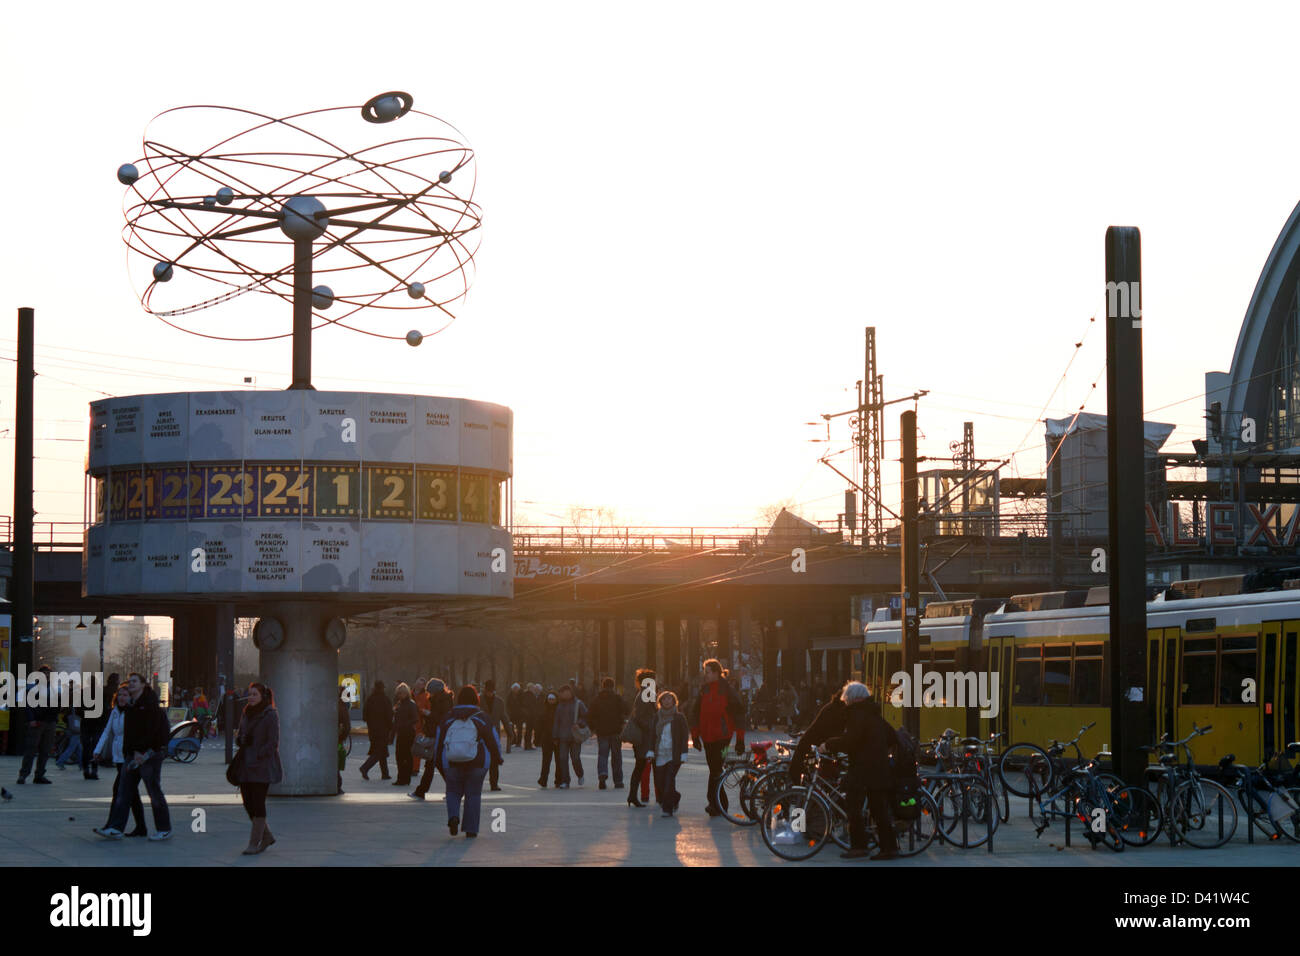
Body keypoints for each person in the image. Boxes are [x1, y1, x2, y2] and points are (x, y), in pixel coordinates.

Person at [826, 682, 899, 860]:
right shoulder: (874, 714)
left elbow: (850, 741)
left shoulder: (857, 715)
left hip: (861, 768)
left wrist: (829, 744)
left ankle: (859, 846)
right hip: (878, 767)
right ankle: (889, 848)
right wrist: (878, 750)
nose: (846, 703)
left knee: (853, 806)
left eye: (847, 700)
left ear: (854, 699)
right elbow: (892, 736)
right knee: (879, 809)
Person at [94, 673, 171, 840]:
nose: (131, 684)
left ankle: (164, 828)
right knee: (124, 791)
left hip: (149, 755)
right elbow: (128, 733)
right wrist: (130, 751)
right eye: (130, 681)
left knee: (153, 791)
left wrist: (142, 751)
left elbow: (154, 732)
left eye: (135, 681)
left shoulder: (150, 705)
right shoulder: (131, 706)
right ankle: (116, 827)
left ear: (144, 684)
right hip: (132, 754)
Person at [433, 685, 503, 838]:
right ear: (475, 698)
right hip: (477, 762)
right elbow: (493, 740)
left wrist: (438, 761)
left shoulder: (448, 717)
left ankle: (453, 817)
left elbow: (439, 742)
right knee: (473, 793)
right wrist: (498, 757)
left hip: (451, 761)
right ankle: (471, 829)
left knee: (452, 790)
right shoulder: (482, 717)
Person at [690, 658, 744, 817]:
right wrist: (695, 735)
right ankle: (717, 803)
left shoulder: (727, 690)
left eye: (707, 672)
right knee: (714, 769)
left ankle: (716, 803)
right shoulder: (704, 690)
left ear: (716, 672)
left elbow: (739, 713)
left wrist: (740, 739)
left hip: (723, 737)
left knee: (716, 768)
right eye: (705, 672)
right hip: (707, 737)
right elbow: (695, 712)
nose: (705, 675)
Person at [234, 682, 283, 855]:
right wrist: (241, 740)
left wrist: (260, 754)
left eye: (255, 694)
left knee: (258, 803)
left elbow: (273, 741)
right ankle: (267, 836)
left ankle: (254, 843)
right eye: (250, 694)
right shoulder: (246, 712)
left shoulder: (270, 714)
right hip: (246, 765)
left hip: (262, 766)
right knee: (248, 803)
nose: (251, 697)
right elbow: (240, 734)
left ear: (263, 696)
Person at [93, 684, 146, 837]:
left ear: (131, 697)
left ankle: (113, 826)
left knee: (119, 791)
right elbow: (107, 731)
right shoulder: (115, 712)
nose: (122, 698)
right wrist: (98, 750)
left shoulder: (134, 712)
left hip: (130, 757)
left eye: (125, 695)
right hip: (119, 757)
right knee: (131, 793)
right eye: (120, 694)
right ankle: (141, 827)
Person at [789, 680, 849, 787]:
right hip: (816, 743)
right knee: (828, 774)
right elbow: (834, 732)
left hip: (812, 741)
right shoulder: (837, 711)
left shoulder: (833, 707)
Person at [410, 678, 456, 799]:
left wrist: (429, 714)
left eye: (430, 691)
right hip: (437, 734)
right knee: (436, 764)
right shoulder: (441, 699)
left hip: (438, 735)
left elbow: (442, 718)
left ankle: (421, 791)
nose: (429, 694)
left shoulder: (442, 701)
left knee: (432, 764)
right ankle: (453, 790)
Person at [650, 691, 689, 816]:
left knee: (669, 780)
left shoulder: (679, 717)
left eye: (669, 699)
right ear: (660, 702)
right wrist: (650, 751)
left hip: (674, 754)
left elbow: (684, 736)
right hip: (660, 753)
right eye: (664, 699)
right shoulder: (657, 717)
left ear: (674, 701)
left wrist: (684, 752)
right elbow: (652, 735)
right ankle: (675, 797)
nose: (667, 701)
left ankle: (667, 809)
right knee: (660, 783)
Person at [16, 666, 56, 785]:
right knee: (31, 750)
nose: (47, 676)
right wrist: (31, 719)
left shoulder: (53, 688)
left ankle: (39, 775)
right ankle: (23, 774)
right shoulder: (32, 688)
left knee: (45, 750)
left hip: (50, 722)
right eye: (44, 674)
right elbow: (27, 705)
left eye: (48, 674)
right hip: (37, 722)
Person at [626, 668, 658, 808]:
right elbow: (642, 716)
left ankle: (633, 795)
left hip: (643, 736)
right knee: (641, 766)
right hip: (645, 737)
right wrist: (650, 728)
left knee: (639, 766)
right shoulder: (648, 693)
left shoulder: (643, 692)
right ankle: (633, 795)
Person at [588, 677, 627, 790]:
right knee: (616, 756)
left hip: (602, 731)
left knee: (603, 754)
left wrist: (593, 728)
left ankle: (602, 774)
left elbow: (590, 715)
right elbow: (626, 709)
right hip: (616, 731)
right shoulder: (617, 698)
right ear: (613, 686)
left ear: (602, 686)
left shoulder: (597, 699)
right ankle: (618, 780)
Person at [552, 683, 588, 789]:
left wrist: (580, 723)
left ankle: (580, 774)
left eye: (566, 692)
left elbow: (586, 716)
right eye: (562, 693)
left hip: (575, 736)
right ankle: (565, 781)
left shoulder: (578, 703)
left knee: (575, 758)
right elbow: (556, 722)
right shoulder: (559, 706)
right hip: (562, 736)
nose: (564, 695)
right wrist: (555, 736)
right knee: (563, 758)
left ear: (571, 692)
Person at [359, 681, 392, 780]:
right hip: (383, 731)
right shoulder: (386, 700)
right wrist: (391, 728)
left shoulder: (370, 699)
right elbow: (389, 717)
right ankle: (365, 767)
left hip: (372, 731)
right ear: (383, 688)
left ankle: (385, 774)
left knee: (382, 751)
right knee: (379, 752)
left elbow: (364, 717)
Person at [480, 680, 510, 788]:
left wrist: (509, 731)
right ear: (485, 689)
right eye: (488, 691)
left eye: (491, 691)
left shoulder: (499, 702)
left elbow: (504, 717)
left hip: (494, 735)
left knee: (494, 760)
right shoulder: (479, 700)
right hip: (481, 734)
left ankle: (494, 784)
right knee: (481, 761)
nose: (489, 693)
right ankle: (478, 783)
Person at [391, 683, 419, 787]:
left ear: (406, 693)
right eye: (398, 693)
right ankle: (401, 778)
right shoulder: (399, 704)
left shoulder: (411, 704)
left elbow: (415, 718)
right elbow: (395, 719)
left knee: (406, 756)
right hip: (401, 732)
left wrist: (403, 724)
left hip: (408, 733)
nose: (400, 695)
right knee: (399, 756)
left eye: (402, 693)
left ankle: (405, 778)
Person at [536, 690, 559, 787]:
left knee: (559, 761)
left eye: (553, 699)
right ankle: (543, 779)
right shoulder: (543, 710)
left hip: (558, 739)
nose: (551, 701)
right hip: (546, 739)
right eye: (549, 699)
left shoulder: (559, 710)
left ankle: (559, 779)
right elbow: (539, 725)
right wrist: (537, 739)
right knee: (546, 761)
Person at [337, 687, 352, 795]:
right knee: (336, 760)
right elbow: (346, 725)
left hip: (338, 736)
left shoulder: (339, 705)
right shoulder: (342, 707)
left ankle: (337, 784)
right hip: (338, 737)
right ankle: (337, 784)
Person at [507, 682, 526, 751]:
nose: (515, 689)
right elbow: (507, 704)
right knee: (511, 728)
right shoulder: (509, 695)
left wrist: (522, 710)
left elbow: (524, 704)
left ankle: (519, 742)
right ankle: (514, 740)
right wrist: (508, 712)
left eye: (516, 688)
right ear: (512, 689)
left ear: (519, 689)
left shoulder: (522, 695)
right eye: (514, 688)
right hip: (512, 714)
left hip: (520, 715)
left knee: (519, 729)